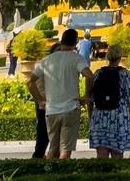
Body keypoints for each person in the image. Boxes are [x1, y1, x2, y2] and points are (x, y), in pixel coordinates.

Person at [28, 27, 92, 160]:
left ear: (62, 41)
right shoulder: (77, 58)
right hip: (70, 108)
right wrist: (86, 95)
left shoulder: (47, 60)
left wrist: (40, 100)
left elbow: (30, 81)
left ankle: (51, 175)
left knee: (53, 148)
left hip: (51, 110)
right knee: (65, 150)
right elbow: (89, 76)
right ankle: (62, 176)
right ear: (75, 43)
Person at [88, 44, 130, 159]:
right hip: (118, 117)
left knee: (101, 155)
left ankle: (103, 177)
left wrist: (90, 115)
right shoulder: (125, 74)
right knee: (117, 154)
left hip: (99, 117)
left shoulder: (98, 73)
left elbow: (91, 98)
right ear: (119, 57)